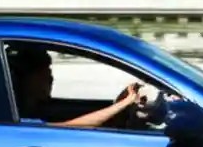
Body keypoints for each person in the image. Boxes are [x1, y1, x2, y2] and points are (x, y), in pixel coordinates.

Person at [8, 43, 142, 128]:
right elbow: (70, 127)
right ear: (27, 79)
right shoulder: (16, 118)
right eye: (44, 75)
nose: (51, 80)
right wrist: (122, 104)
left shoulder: (29, 109)